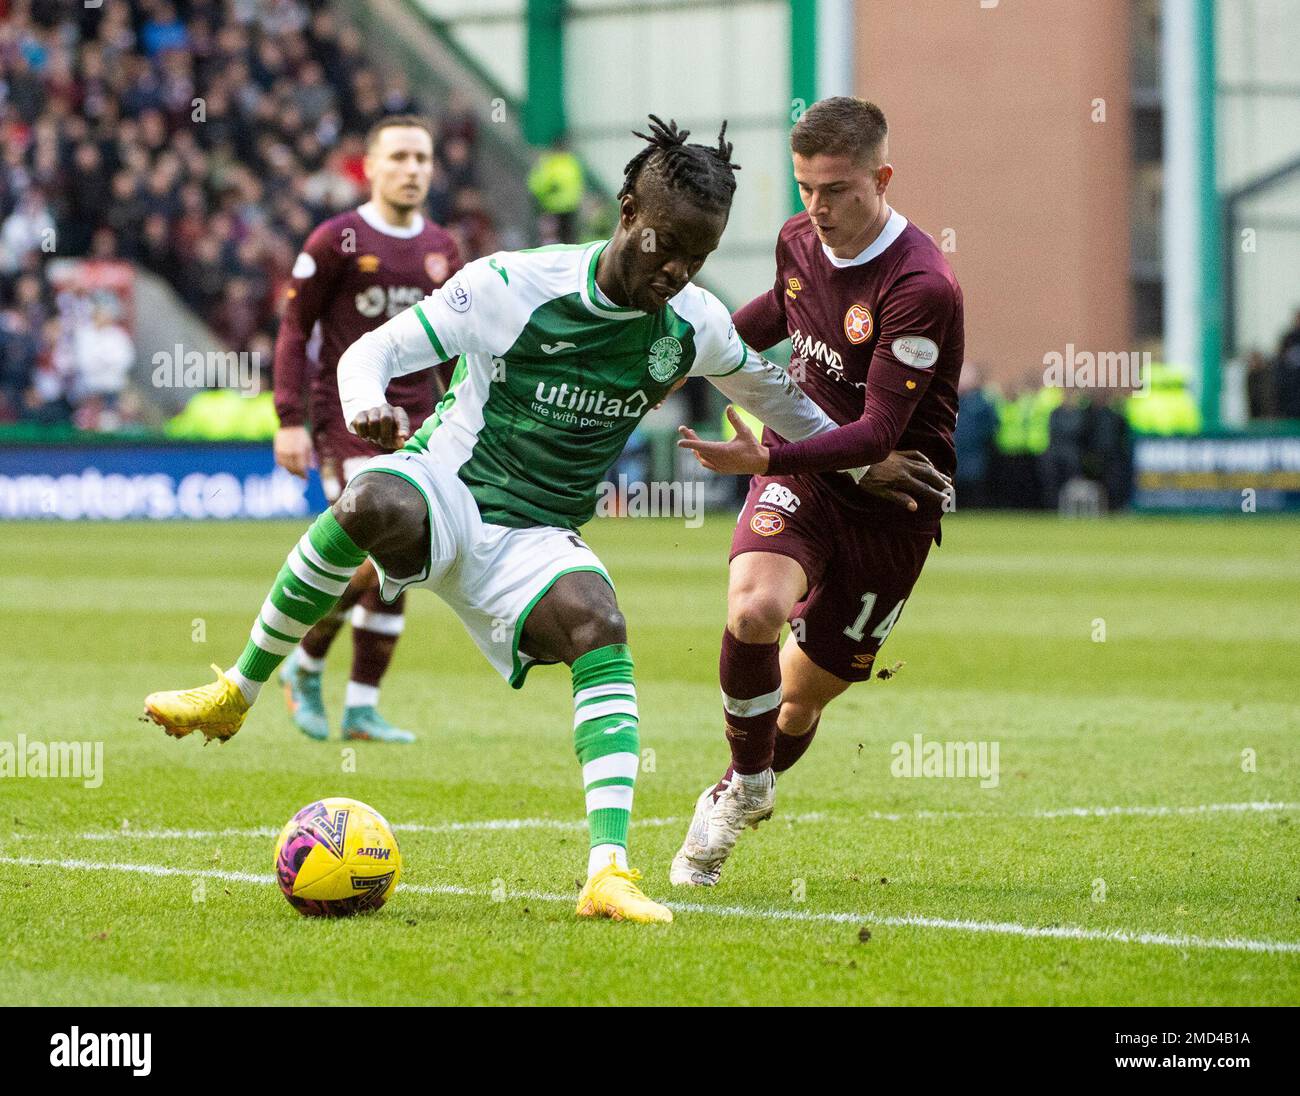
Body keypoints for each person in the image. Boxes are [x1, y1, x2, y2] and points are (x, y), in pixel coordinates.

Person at [143, 116, 944, 924]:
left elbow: (788, 406)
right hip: (449, 490)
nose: (675, 270)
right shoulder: (510, 285)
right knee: (370, 500)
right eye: (664, 244)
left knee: (600, 623)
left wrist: (865, 461)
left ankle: (607, 873)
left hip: (533, 540)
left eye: (696, 257)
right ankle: (237, 691)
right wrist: (365, 408)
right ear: (627, 209)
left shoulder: (692, 324)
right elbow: (367, 355)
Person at [668, 97, 962, 888]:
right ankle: (743, 790)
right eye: (805, 187)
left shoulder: (920, 284)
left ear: (883, 178)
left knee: (798, 704)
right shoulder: (799, 238)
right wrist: (689, 347)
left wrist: (763, 451)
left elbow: (875, 436)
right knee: (753, 611)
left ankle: (745, 780)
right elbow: (780, 312)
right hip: (805, 476)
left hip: (892, 508)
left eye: (837, 189)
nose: (818, 208)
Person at [271, 115, 461, 745]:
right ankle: (304, 663)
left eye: (422, 158)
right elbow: (295, 330)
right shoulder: (337, 239)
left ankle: (358, 707)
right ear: (371, 167)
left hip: (422, 425)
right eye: (400, 157)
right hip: (349, 419)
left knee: (401, 559)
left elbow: (458, 348)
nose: (412, 169)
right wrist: (289, 421)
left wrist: (468, 414)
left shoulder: (443, 249)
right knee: (384, 545)